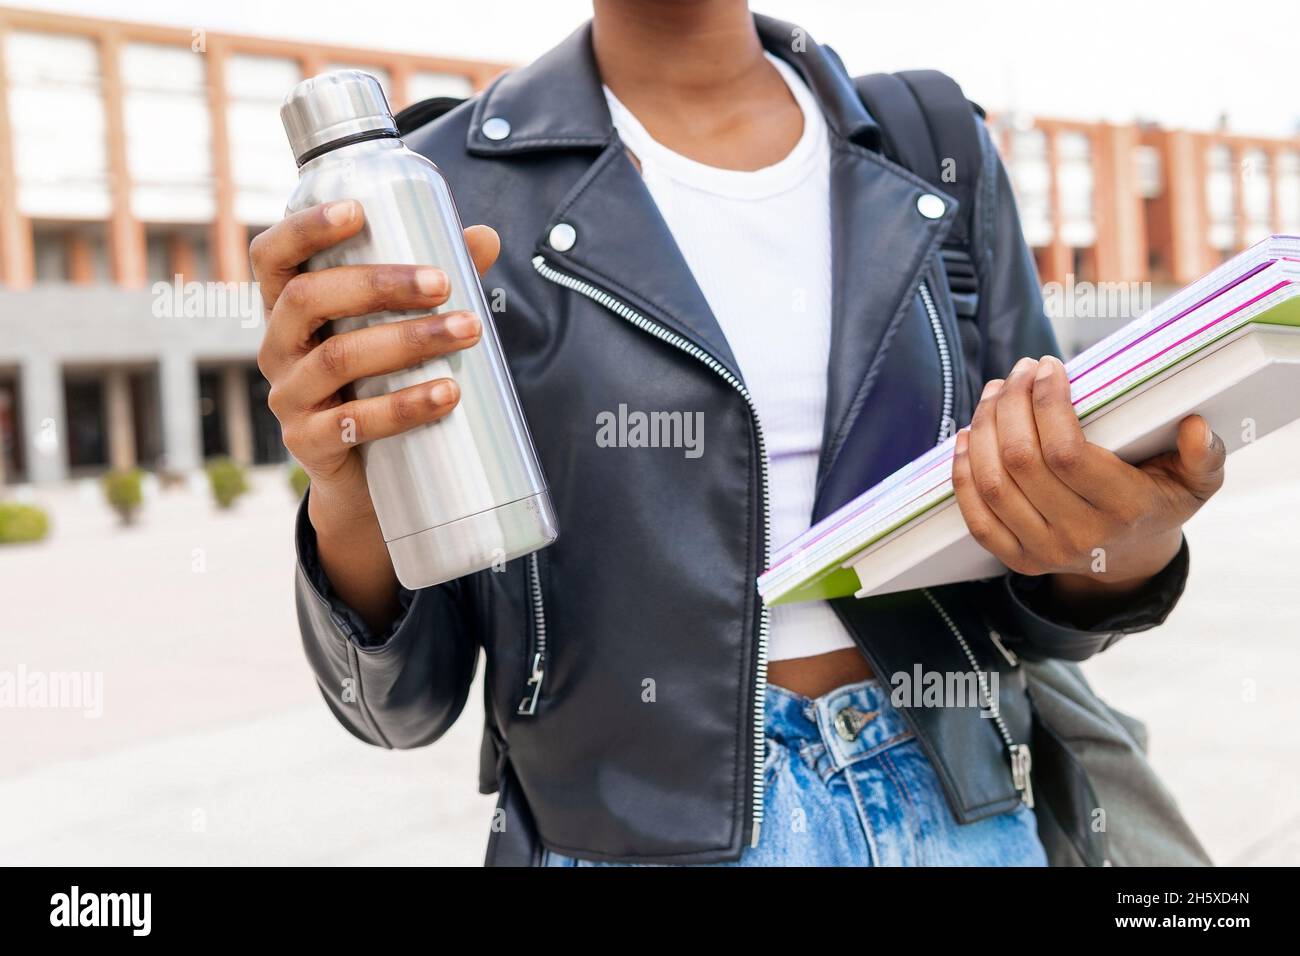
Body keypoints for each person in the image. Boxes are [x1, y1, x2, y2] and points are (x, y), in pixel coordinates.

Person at [251, 1, 1224, 865]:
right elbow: (400, 703)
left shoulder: (928, 141)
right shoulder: (449, 185)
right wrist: (342, 484)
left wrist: (1124, 545)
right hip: (624, 835)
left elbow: (1035, 586)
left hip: (961, 812)